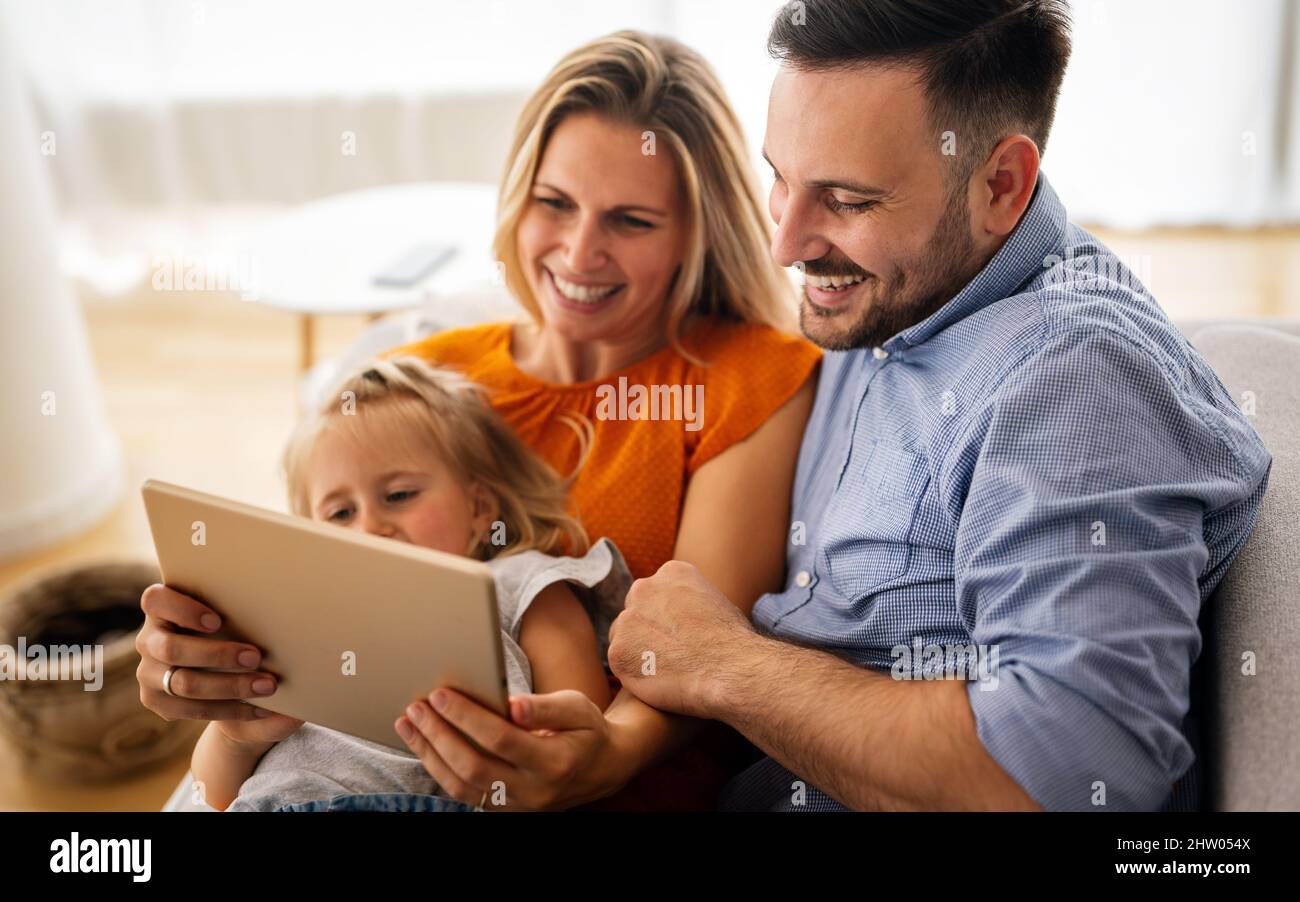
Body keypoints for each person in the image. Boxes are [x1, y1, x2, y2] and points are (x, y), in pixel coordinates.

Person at [589, 0, 1273, 811]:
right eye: (780, 177)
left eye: (846, 200)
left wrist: (728, 667)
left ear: (1001, 185)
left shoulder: (1075, 380)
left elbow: (1073, 776)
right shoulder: (893, 296)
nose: (788, 244)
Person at [137, 31, 821, 810]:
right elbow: (313, 601)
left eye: (630, 221)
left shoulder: (748, 379)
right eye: (554, 203)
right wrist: (215, 680)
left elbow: (705, 646)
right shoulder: (428, 376)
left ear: (697, 232)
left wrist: (604, 755)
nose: (579, 252)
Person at [193, 356, 630, 813]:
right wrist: (233, 735)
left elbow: (577, 740)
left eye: (399, 496)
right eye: (341, 514)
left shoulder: (519, 581)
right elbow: (213, 794)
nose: (370, 527)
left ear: (479, 508)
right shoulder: (302, 620)